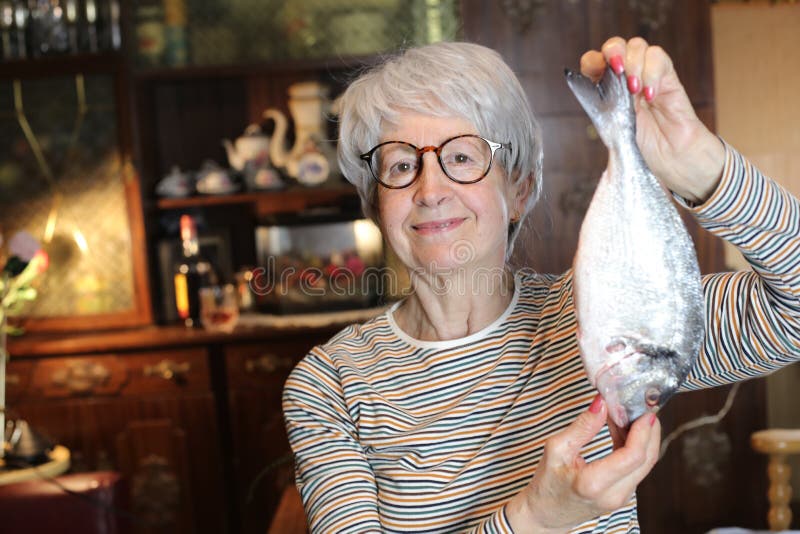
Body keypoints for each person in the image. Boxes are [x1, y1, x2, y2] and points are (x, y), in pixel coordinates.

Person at [282, 36, 800, 533]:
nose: (431, 188)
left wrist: (703, 167)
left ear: (521, 188)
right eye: (400, 165)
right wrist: (537, 520)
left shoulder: (610, 323)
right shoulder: (329, 387)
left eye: (462, 157)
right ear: (376, 205)